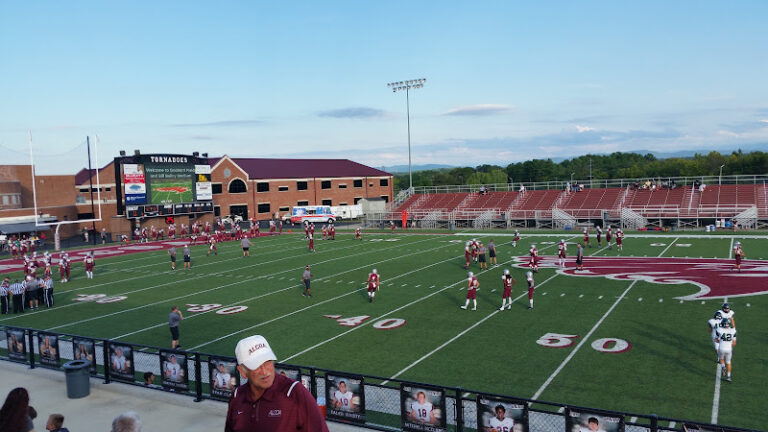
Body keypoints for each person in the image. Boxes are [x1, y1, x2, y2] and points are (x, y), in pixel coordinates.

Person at [226, 335, 329, 432]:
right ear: (242, 371)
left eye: (268, 362)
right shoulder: (237, 397)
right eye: (256, 366)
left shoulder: (294, 393)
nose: (265, 372)